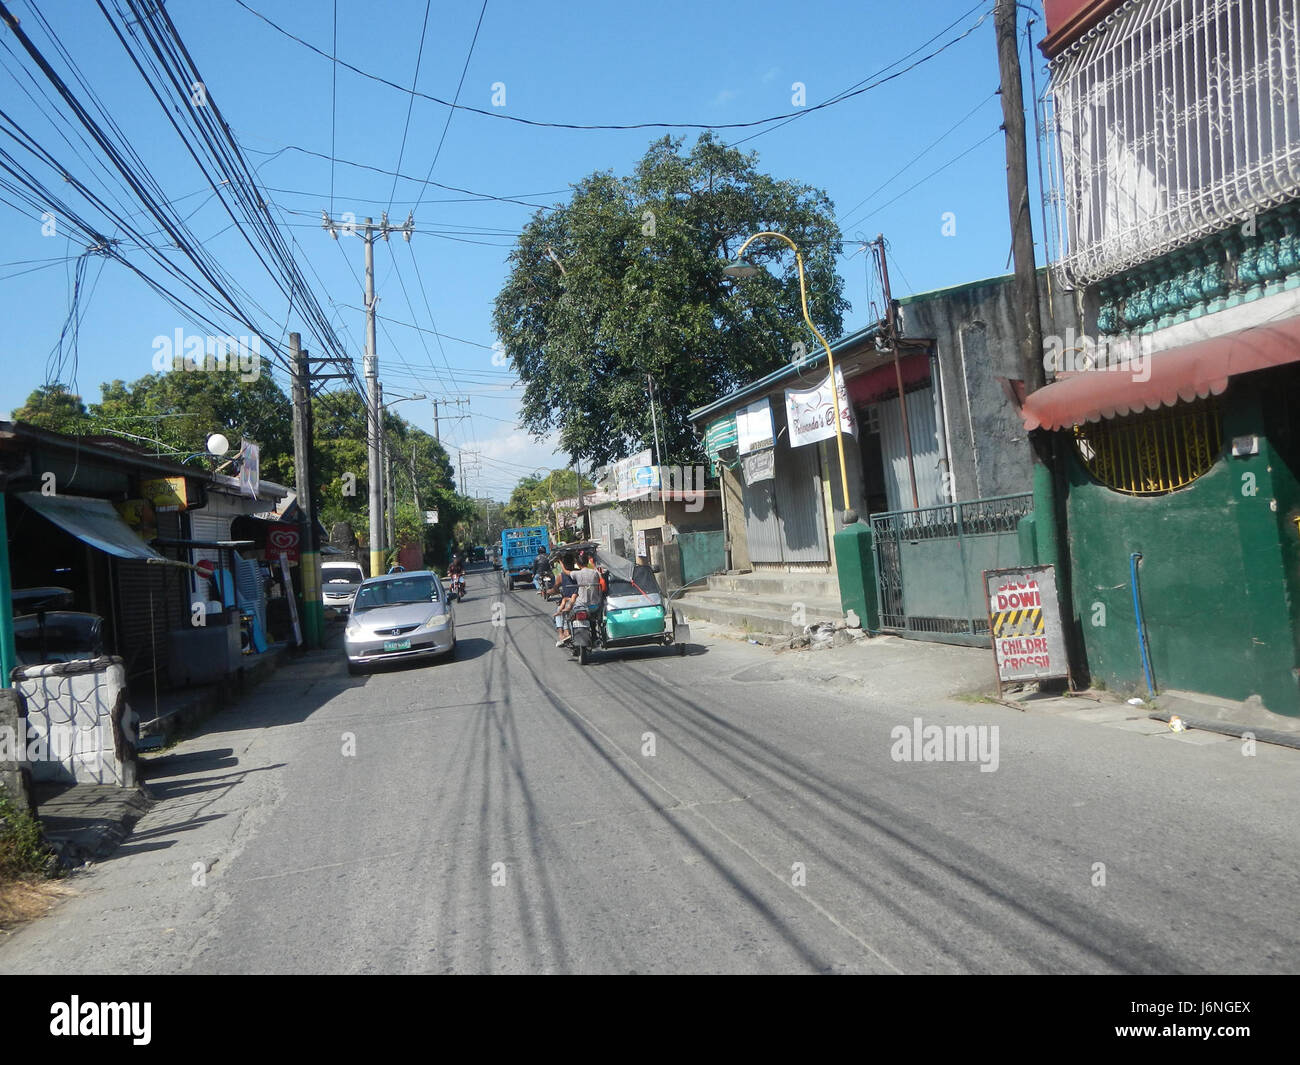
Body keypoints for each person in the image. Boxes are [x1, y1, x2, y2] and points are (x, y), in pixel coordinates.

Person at [553, 552, 579, 646]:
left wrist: (551, 591)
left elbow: (555, 589)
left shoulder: (561, 576)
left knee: (558, 612)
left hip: (570, 600)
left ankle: (561, 635)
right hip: (579, 600)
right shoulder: (578, 572)